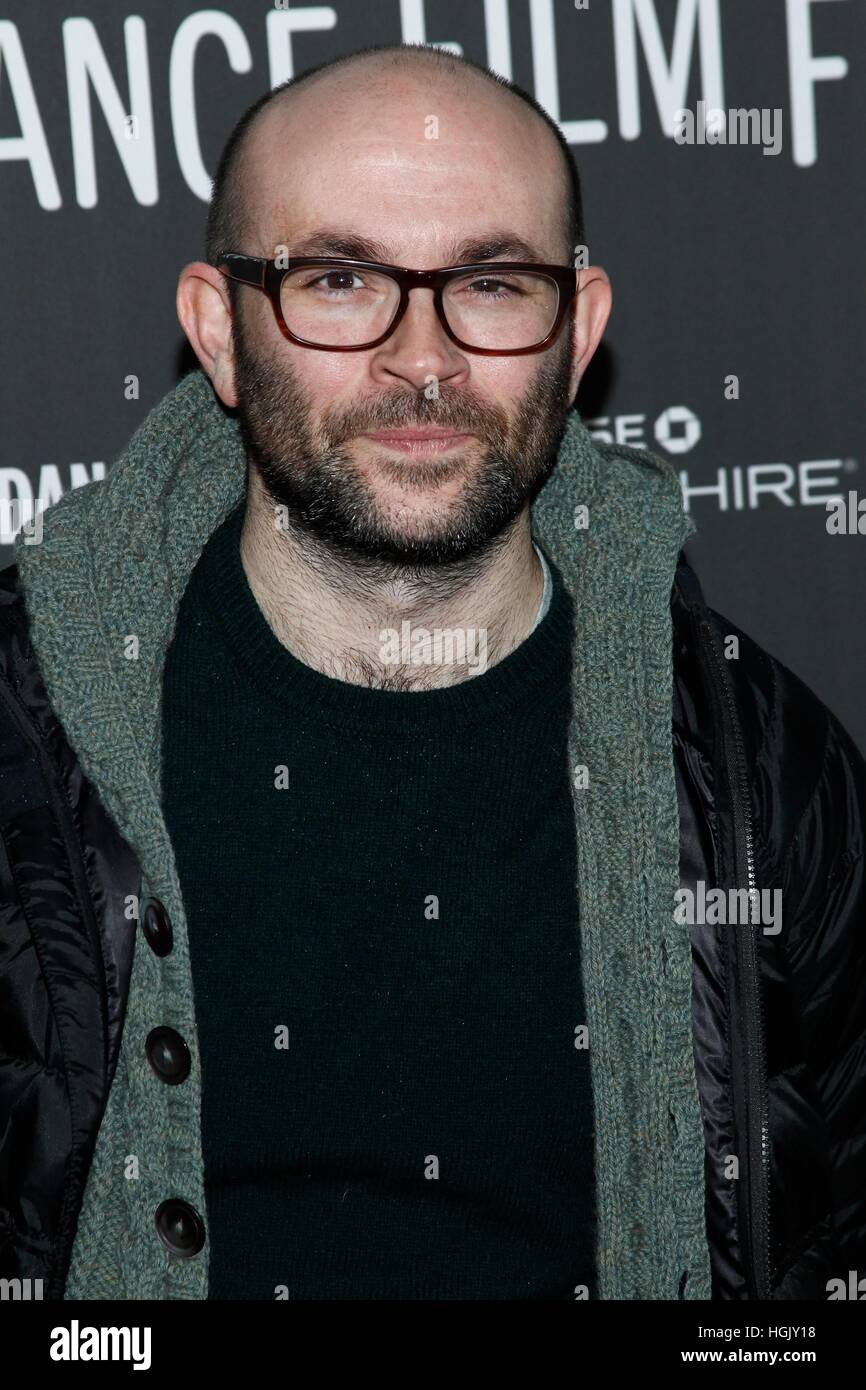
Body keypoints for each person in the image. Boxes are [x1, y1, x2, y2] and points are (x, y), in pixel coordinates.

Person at [0, 42, 863, 1303]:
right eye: (340, 279)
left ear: (577, 333)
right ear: (219, 333)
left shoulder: (753, 765)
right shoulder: (26, 742)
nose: (422, 359)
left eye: (492, 282)